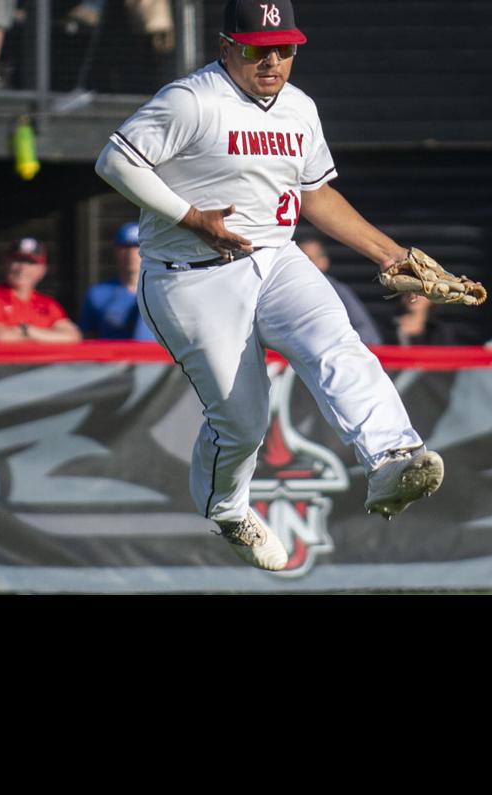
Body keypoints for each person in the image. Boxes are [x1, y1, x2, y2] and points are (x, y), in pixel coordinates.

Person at [92, 0, 446, 572]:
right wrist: (191, 218)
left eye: (284, 49)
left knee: (337, 342)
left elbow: (314, 194)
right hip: (191, 277)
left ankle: (391, 457)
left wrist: (391, 253)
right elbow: (116, 161)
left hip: (276, 257)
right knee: (243, 423)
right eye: (258, 49)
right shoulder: (192, 100)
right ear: (226, 46)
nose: (273, 61)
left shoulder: (300, 108)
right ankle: (228, 510)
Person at [0, 237, 83, 343]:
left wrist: (26, 330)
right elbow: (0, 337)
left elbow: (73, 337)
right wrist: (49, 337)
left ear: (42, 270)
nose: (22, 268)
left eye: (30, 262)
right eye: (17, 260)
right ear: (6, 263)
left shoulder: (48, 304)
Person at [78, 222, 157, 341]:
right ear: (116, 251)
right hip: (111, 352)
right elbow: (87, 337)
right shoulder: (97, 294)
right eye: (125, 247)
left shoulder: (163, 292)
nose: (131, 254)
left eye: (138, 246)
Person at [298, 237, 383, 345]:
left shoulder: (337, 290)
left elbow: (367, 333)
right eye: (302, 260)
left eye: (311, 259)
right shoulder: (287, 290)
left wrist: (338, 346)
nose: (308, 264)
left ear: (324, 261)